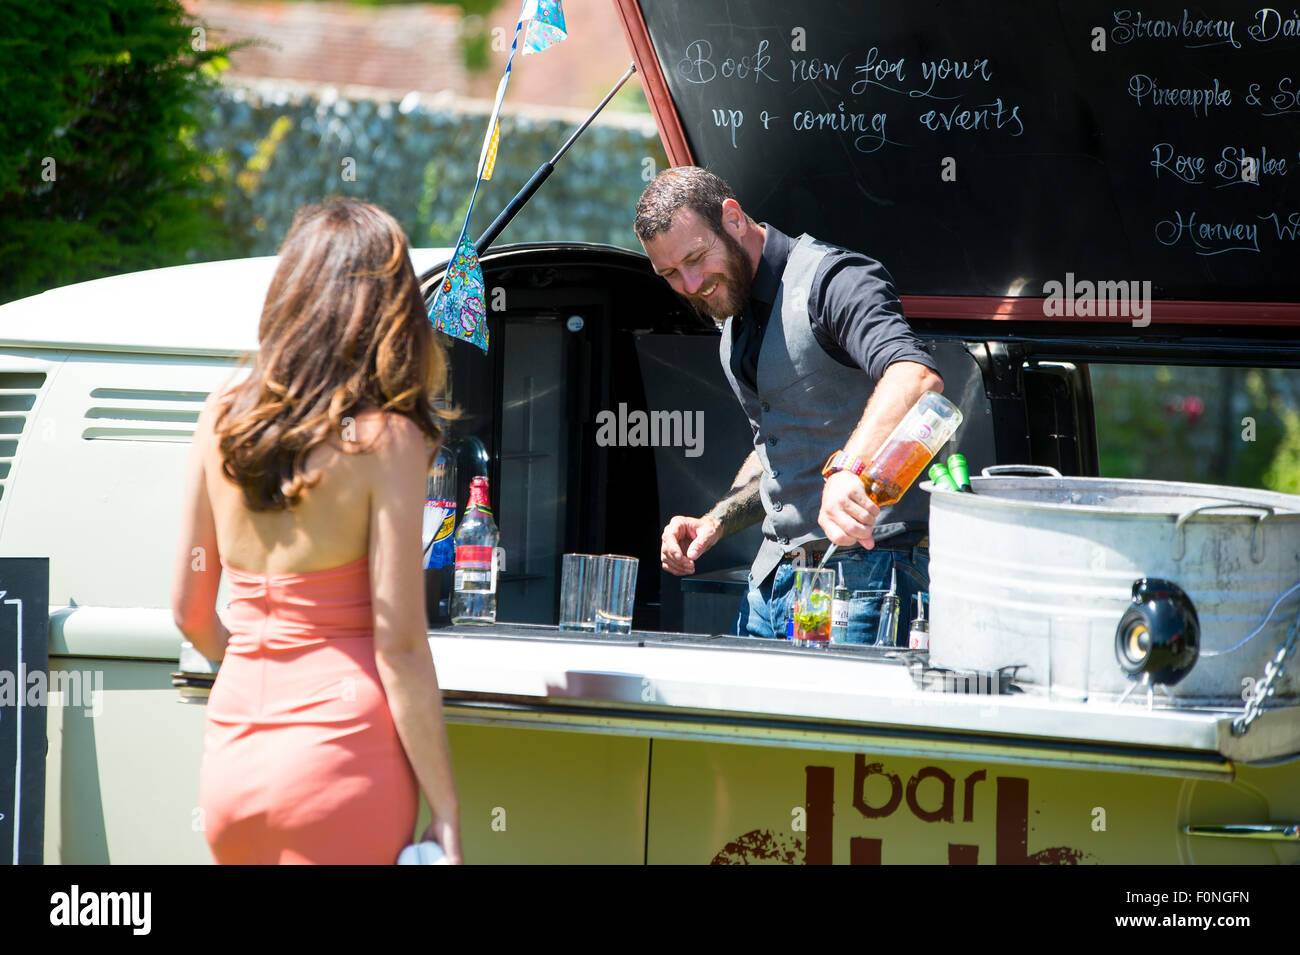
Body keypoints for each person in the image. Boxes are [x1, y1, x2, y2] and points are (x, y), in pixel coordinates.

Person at [171, 199, 463, 864]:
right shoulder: (388, 439)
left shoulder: (221, 415)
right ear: (389, 311)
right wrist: (446, 809)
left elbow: (188, 612)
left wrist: (257, 671)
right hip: (343, 760)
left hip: (234, 758)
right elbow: (401, 647)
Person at [635, 167, 945, 643]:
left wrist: (849, 469)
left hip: (866, 578)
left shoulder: (837, 279)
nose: (692, 283)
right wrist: (714, 522)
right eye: (670, 273)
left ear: (733, 219)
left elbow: (914, 374)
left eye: (696, 258)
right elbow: (777, 456)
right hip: (771, 583)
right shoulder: (733, 323)